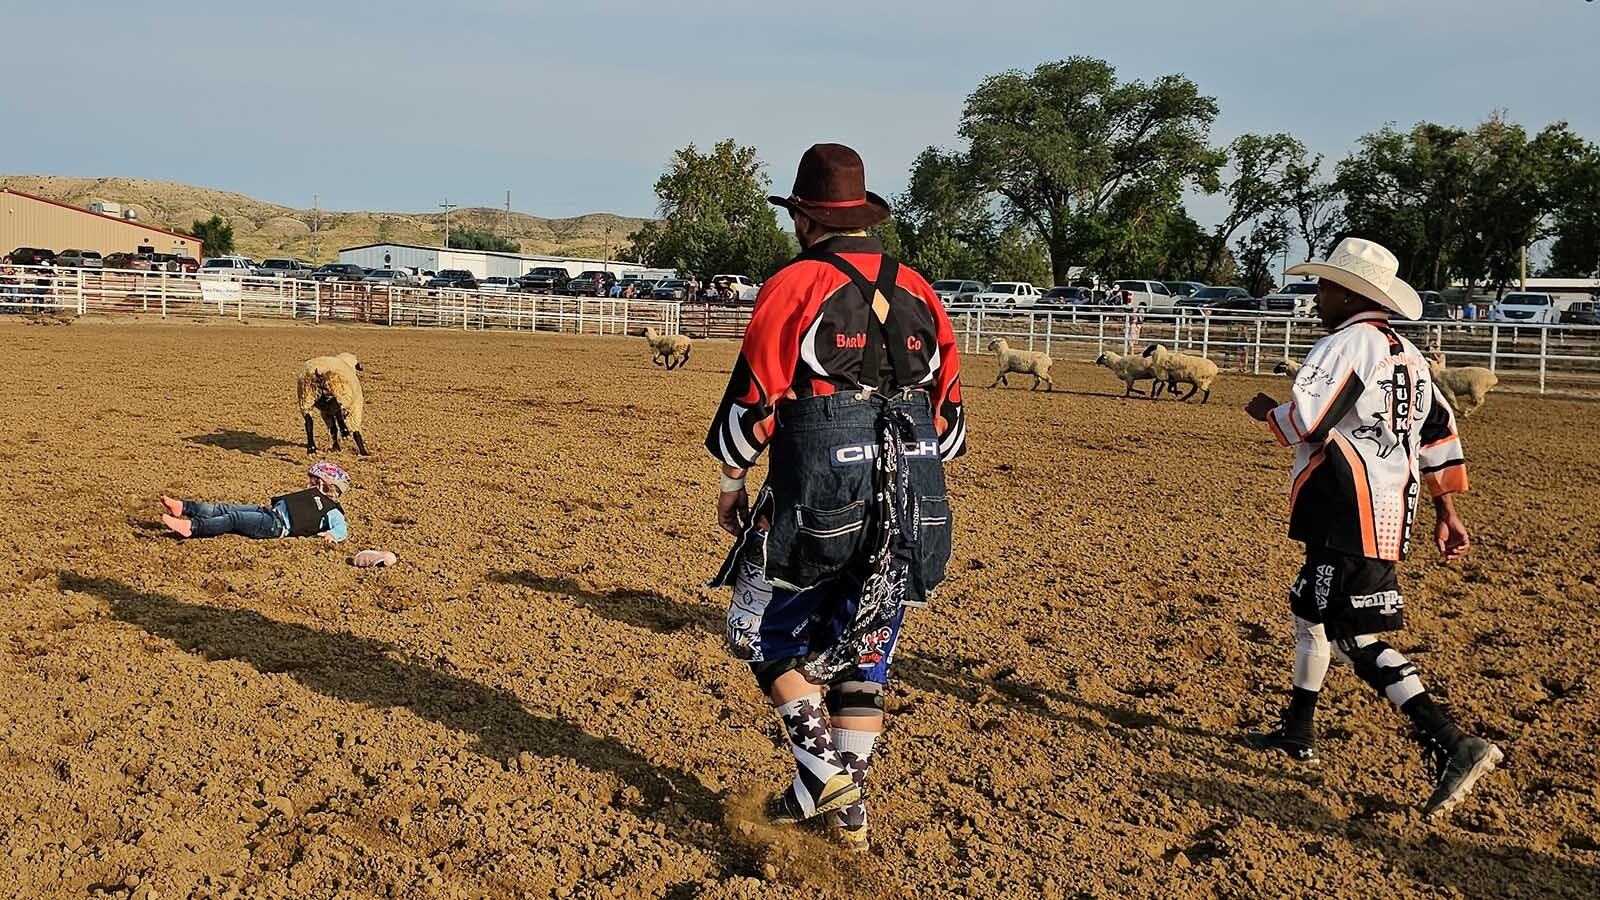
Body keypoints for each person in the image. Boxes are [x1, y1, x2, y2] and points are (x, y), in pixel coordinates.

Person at [705, 143, 967, 852]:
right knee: (866, 648)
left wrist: (732, 481)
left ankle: (823, 775)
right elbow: (950, 424)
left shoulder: (796, 283)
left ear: (804, 217)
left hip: (826, 487)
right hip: (915, 493)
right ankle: (846, 813)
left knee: (760, 633)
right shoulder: (920, 289)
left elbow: (754, 398)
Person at [1243, 238, 1501, 820]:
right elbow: (1439, 433)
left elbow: (1307, 420)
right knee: (1309, 608)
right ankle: (1298, 731)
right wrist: (1446, 510)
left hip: (1347, 508)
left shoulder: (1346, 345)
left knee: (1351, 636)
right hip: (1387, 507)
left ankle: (1452, 741)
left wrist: (1266, 411)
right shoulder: (1409, 354)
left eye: (1324, 286)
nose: (1316, 297)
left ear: (1348, 293)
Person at [160, 462, 352, 543]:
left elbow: (342, 527)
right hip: (269, 513)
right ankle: (184, 507)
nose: (309, 485)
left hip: (275, 526)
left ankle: (192, 527)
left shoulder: (332, 509)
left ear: (327, 486)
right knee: (225, 508)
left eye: (314, 482)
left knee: (233, 518)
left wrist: (332, 535)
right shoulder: (313, 496)